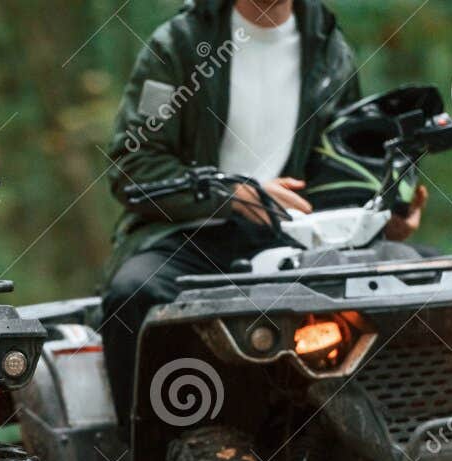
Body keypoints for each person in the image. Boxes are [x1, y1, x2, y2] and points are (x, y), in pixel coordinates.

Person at [100, 0, 429, 422]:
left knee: (419, 275)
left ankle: (395, 437)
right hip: (187, 234)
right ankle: (146, 451)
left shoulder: (331, 51)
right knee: (133, 293)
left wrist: (378, 218)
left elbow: (340, 170)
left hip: (291, 237)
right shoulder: (179, 45)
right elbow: (134, 165)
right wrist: (232, 194)